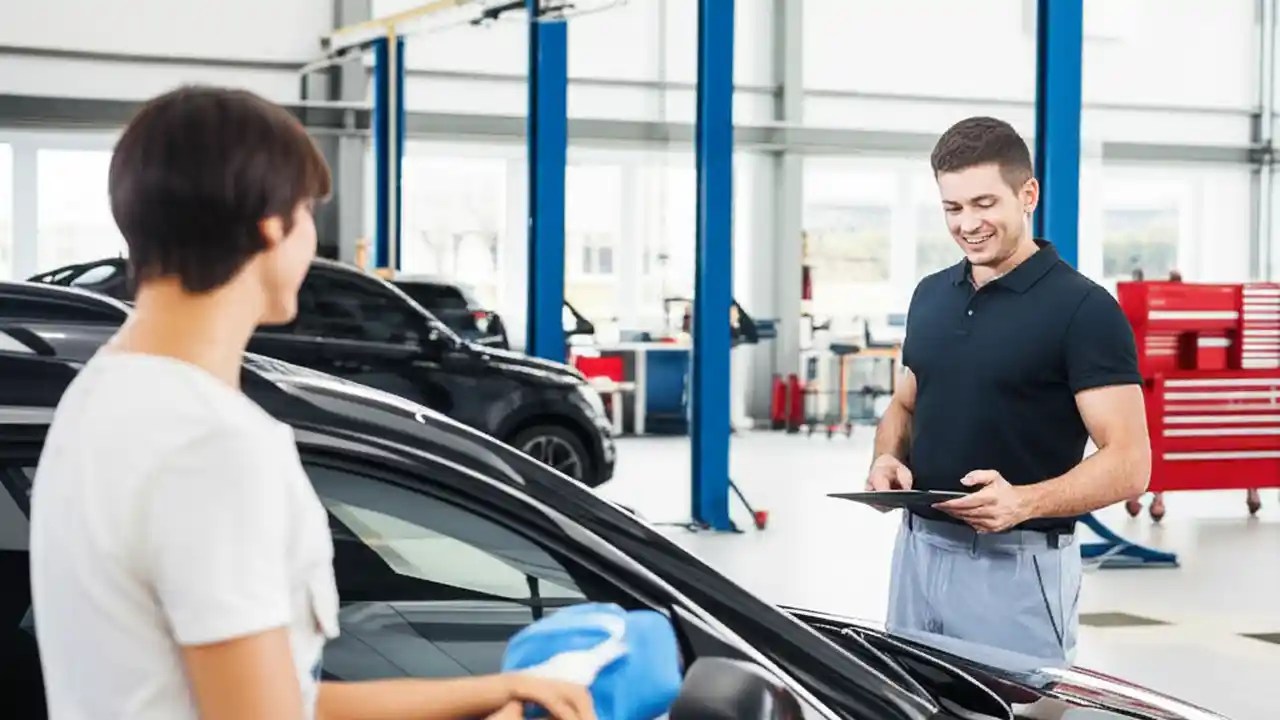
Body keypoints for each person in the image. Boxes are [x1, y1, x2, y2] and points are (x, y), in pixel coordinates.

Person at [28, 86, 595, 720]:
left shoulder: (102, 397)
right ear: (271, 225)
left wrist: (489, 692)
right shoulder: (212, 445)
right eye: (306, 213)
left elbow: (268, 699)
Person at [865, 116, 1152, 665]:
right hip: (918, 552)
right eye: (953, 209)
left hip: (1017, 565)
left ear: (1028, 195)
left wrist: (1023, 501)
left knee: (1013, 707)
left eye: (984, 204)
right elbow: (906, 403)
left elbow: (1131, 462)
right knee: (913, 701)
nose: (968, 224)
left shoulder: (1083, 310)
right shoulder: (931, 296)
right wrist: (886, 457)